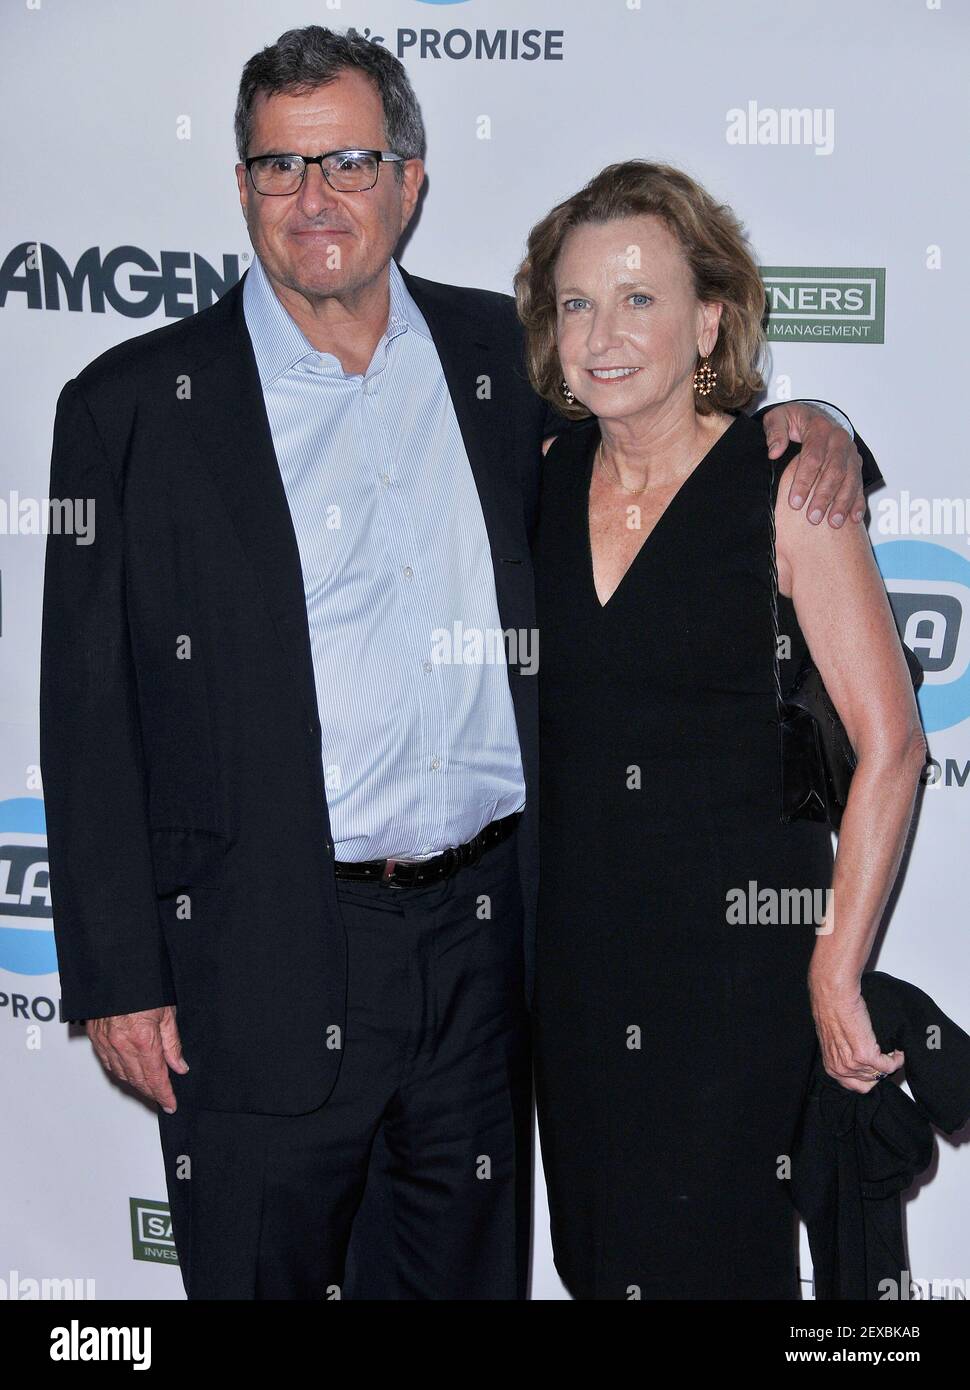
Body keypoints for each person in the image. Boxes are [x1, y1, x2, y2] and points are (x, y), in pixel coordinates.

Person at [39, 27, 872, 1301]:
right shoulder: (132, 406)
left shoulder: (503, 365)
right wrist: (117, 975)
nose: (314, 199)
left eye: (350, 161)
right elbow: (88, 716)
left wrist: (820, 426)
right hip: (256, 959)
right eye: (278, 167)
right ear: (243, 184)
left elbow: (678, 425)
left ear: (410, 182)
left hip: (491, 957)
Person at [516, 160, 927, 1300]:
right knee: (596, 1259)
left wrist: (836, 970)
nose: (604, 331)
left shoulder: (785, 487)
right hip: (576, 973)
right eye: (578, 302)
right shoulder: (538, 481)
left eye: (640, 297)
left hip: (737, 973)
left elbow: (891, 744)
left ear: (710, 319)